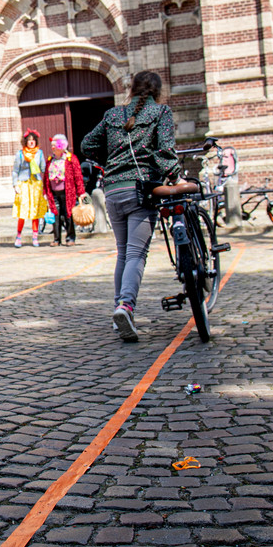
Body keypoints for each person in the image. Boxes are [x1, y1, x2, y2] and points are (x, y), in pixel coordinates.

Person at [80, 71, 180, 343]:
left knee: (123, 253)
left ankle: (119, 311)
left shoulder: (113, 115)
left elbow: (87, 144)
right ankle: (126, 306)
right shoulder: (161, 112)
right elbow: (165, 152)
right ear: (157, 91)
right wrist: (173, 174)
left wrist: (110, 159)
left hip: (112, 190)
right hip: (141, 189)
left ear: (131, 89)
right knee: (136, 254)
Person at [43, 134, 86, 245]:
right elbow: (45, 178)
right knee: (55, 215)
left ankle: (70, 238)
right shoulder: (50, 160)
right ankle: (56, 239)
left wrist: (81, 192)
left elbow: (78, 176)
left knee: (68, 214)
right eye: (51, 145)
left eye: (54, 145)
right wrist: (45, 192)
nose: (52, 147)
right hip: (54, 193)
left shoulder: (71, 159)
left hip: (67, 192)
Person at [12, 130, 48, 247]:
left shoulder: (39, 153)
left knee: (35, 212)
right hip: (24, 184)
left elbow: (44, 168)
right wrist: (15, 185)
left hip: (36, 184)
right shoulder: (20, 154)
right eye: (29, 140)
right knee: (22, 211)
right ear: (25, 142)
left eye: (33, 140)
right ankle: (18, 236)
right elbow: (15, 171)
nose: (31, 142)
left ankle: (35, 236)